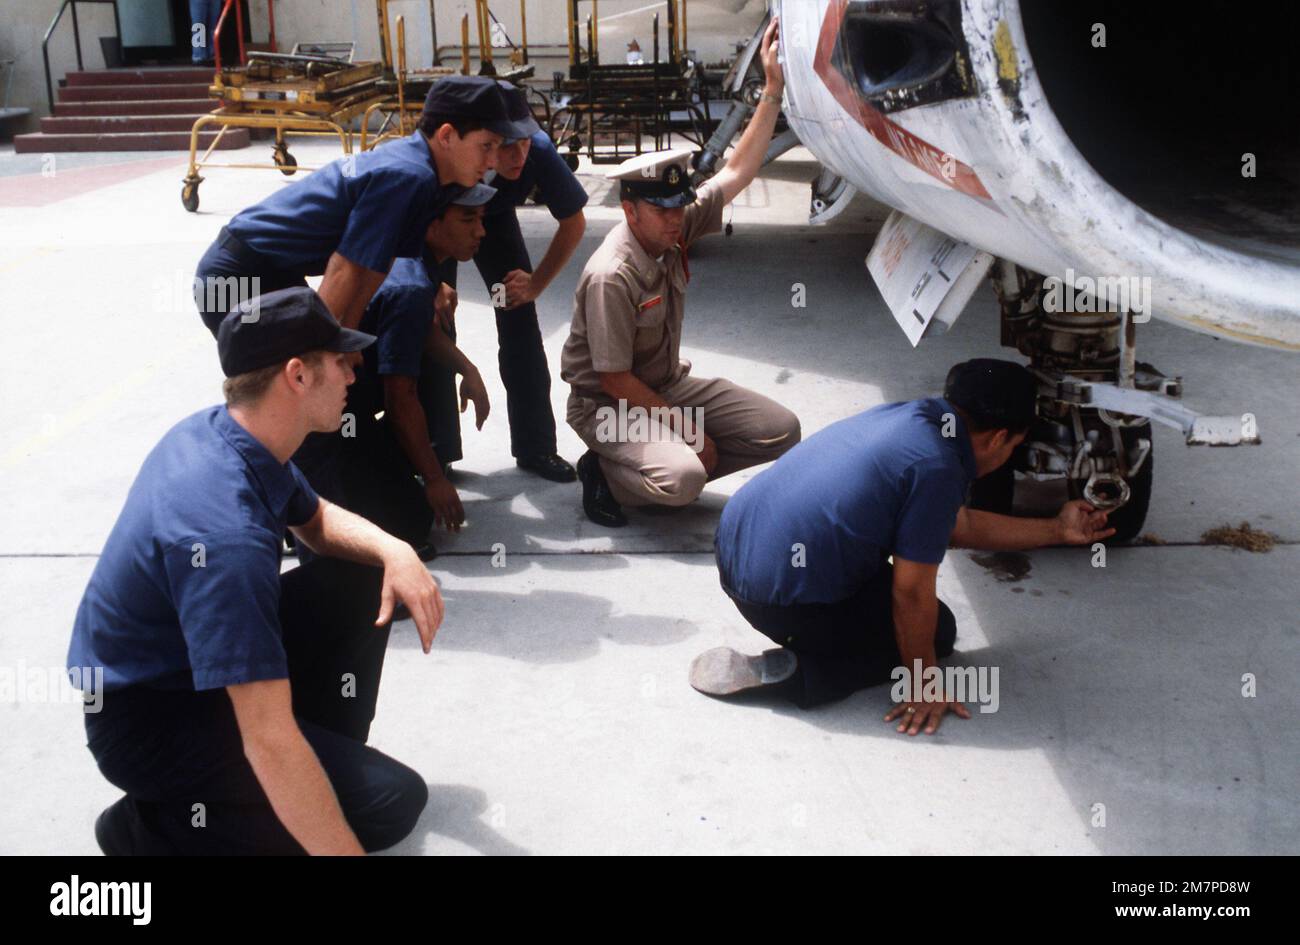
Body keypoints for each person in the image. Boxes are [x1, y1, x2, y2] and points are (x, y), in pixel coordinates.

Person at [68, 287, 445, 854]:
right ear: (297, 375)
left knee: (364, 574)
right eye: (340, 361)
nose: (353, 372)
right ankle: (148, 832)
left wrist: (396, 550)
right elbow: (266, 738)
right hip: (150, 721)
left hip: (186, 670)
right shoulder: (224, 538)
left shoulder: (230, 432)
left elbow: (314, 519)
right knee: (389, 803)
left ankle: (314, 763)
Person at [692, 359, 1116, 736]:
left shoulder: (915, 418)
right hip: (778, 597)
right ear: (998, 437)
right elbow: (911, 593)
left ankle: (814, 635)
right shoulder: (937, 467)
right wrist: (923, 682)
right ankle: (806, 675)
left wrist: (1058, 530)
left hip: (741, 552)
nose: (1010, 454)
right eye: (1014, 446)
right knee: (937, 631)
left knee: (900, 598)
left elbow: (957, 526)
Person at [560, 19, 800, 526]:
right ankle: (605, 471)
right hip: (609, 405)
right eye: (663, 209)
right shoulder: (613, 274)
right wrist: (688, 431)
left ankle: (665, 460)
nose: (677, 218)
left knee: (781, 429)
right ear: (631, 212)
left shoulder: (671, 228)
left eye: (680, 207)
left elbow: (736, 171)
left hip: (666, 385)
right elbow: (613, 378)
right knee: (684, 479)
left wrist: (772, 90)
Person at [192, 75, 515, 335]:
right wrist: (326, 347)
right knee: (280, 382)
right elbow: (344, 267)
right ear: (446, 135)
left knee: (307, 375)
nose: (491, 162)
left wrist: (348, 333)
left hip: (271, 272)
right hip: (234, 278)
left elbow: (375, 265)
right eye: (485, 146)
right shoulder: (408, 175)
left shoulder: (427, 174)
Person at [430, 81, 588, 483]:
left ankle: (536, 446)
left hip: (493, 222)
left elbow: (573, 222)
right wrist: (430, 283)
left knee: (516, 315)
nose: (518, 155)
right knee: (434, 323)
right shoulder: (442, 160)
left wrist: (535, 283)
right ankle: (438, 449)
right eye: (504, 146)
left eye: (524, 143)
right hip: (438, 229)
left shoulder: (538, 149)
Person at [335, 183, 498, 547]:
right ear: (429, 225)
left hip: (346, 405)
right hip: (330, 424)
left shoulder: (410, 259)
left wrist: (467, 368)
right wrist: (435, 479)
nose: (481, 231)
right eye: (468, 219)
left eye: (482, 219)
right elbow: (400, 400)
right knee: (410, 524)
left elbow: (418, 331)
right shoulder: (409, 285)